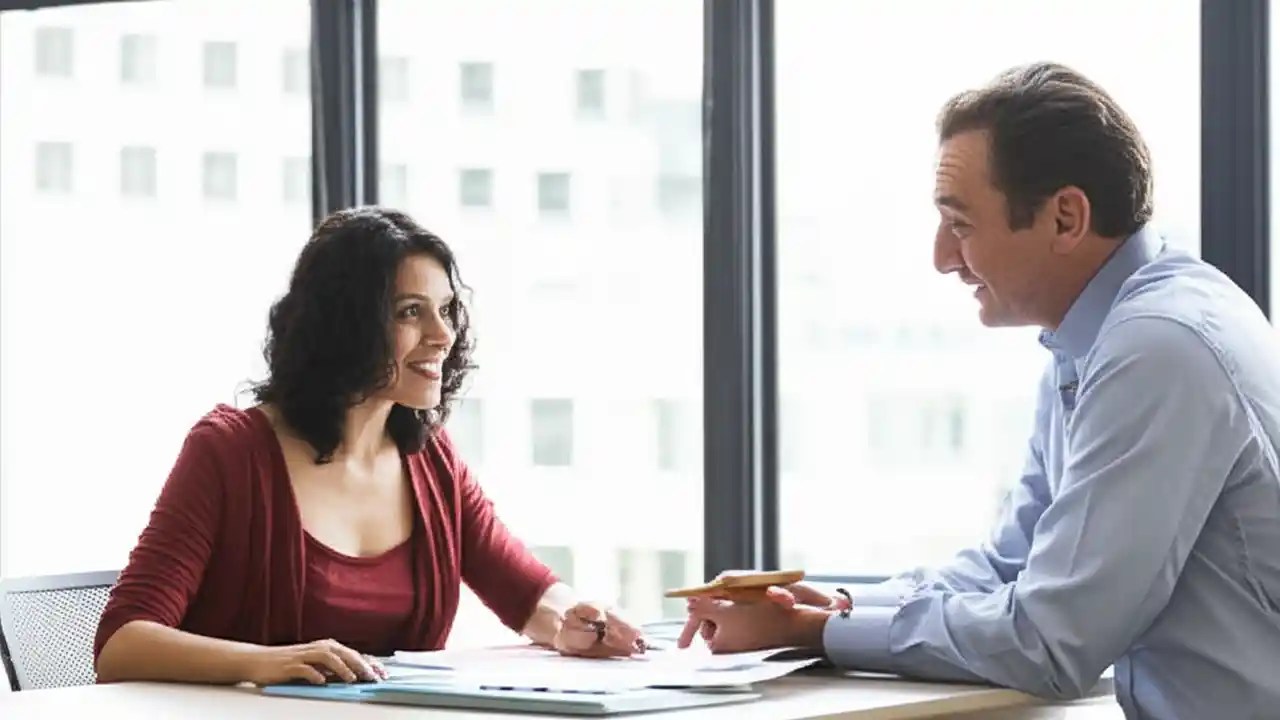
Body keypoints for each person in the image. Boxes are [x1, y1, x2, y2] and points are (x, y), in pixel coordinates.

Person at [679, 62, 1280, 718]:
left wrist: (813, 634)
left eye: (960, 224)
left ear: (1066, 218)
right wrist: (833, 606)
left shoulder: (1158, 348)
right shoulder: (1101, 336)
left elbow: (1051, 639)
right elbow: (1011, 567)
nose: (942, 256)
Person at [94, 207, 643, 687]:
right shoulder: (230, 453)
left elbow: (529, 598)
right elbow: (123, 643)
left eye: (446, 309)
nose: (443, 334)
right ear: (344, 326)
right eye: (410, 312)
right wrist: (265, 662)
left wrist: (580, 621)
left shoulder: (432, 461)